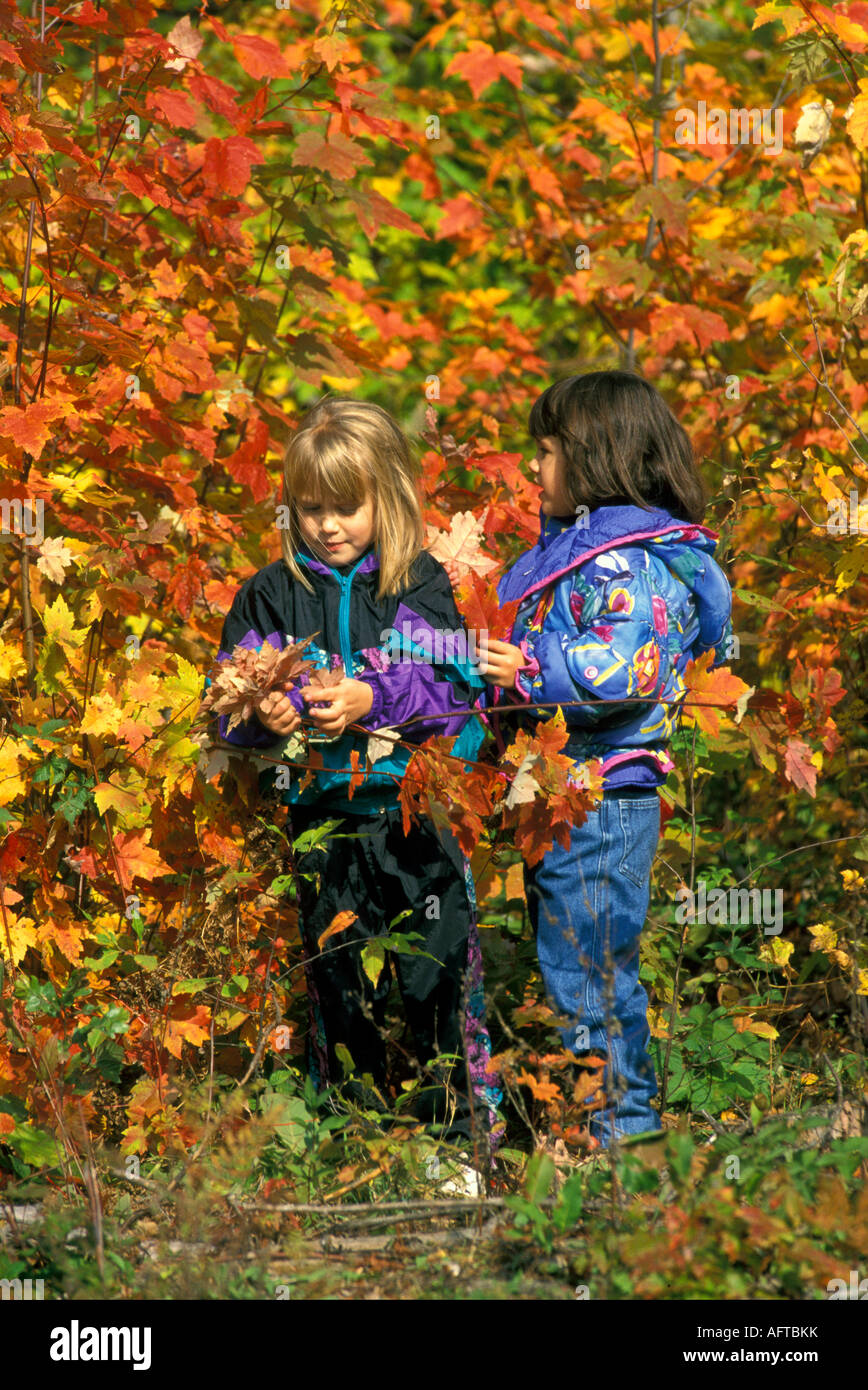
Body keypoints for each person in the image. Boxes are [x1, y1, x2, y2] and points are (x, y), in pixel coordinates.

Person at [206, 397, 501, 1172]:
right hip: (321, 813)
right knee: (338, 982)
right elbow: (229, 701)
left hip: (413, 815)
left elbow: (453, 686)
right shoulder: (271, 594)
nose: (328, 526)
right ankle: (353, 1141)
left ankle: (460, 1145)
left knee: (437, 972)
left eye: (347, 507)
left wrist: (377, 699)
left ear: (387, 500)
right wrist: (266, 711)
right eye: (311, 509)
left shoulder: (416, 584)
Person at [477, 370, 733, 1149]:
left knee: (588, 972)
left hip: (603, 797)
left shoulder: (622, 561)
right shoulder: (599, 552)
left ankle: (622, 1136)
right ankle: (596, 1126)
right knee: (577, 965)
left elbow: (619, 672)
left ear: (593, 459)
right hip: (575, 793)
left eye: (547, 452)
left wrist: (521, 666)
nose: (534, 470)